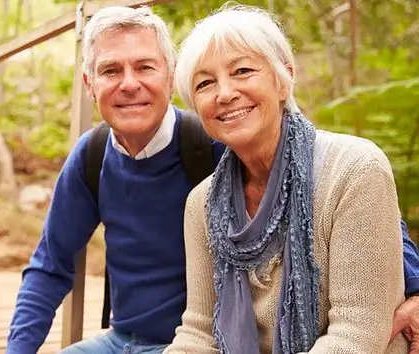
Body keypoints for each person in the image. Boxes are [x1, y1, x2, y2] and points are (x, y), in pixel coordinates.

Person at [5, 5, 419, 354]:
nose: (129, 83)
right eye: (111, 70)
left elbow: (355, 205)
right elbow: (50, 265)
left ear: (168, 77)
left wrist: (414, 287)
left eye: (144, 67)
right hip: (132, 338)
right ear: (90, 84)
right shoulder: (101, 160)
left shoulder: (217, 140)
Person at [164, 4, 409, 353]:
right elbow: (200, 332)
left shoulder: (355, 170)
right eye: (205, 83)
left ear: (284, 79)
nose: (225, 93)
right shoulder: (202, 204)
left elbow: (357, 334)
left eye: (243, 71)